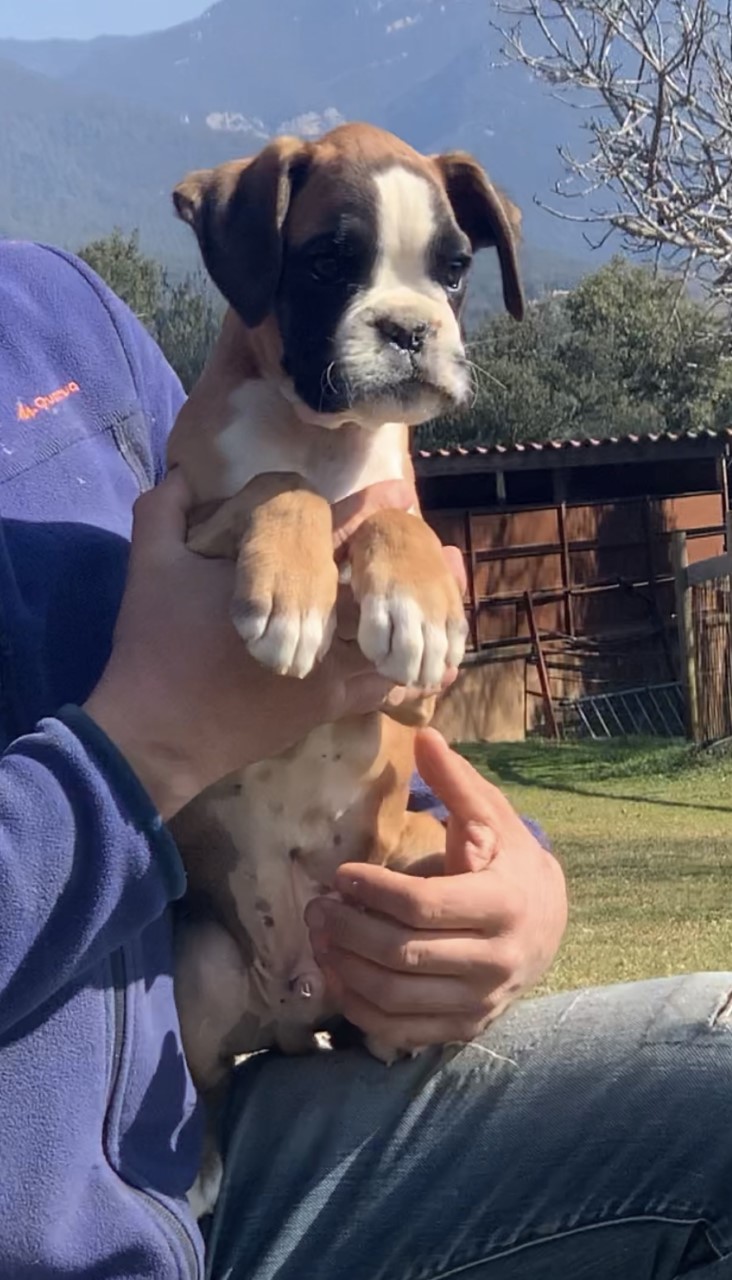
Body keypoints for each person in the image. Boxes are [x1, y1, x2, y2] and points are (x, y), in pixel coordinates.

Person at [0, 239, 729, 1280]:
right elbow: (179, 701)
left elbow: (270, 626)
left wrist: (510, 890)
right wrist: (140, 752)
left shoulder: (56, 309)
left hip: (210, 1159)